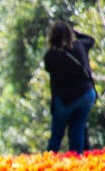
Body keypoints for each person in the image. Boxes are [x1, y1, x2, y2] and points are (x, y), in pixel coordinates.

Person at [44, 21, 97, 154]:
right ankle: (76, 164)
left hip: (65, 100)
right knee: (77, 129)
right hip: (86, 95)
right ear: (69, 35)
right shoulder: (80, 46)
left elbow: (52, 76)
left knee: (57, 135)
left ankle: (48, 166)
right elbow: (90, 39)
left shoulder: (50, 56)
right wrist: (75, 32)